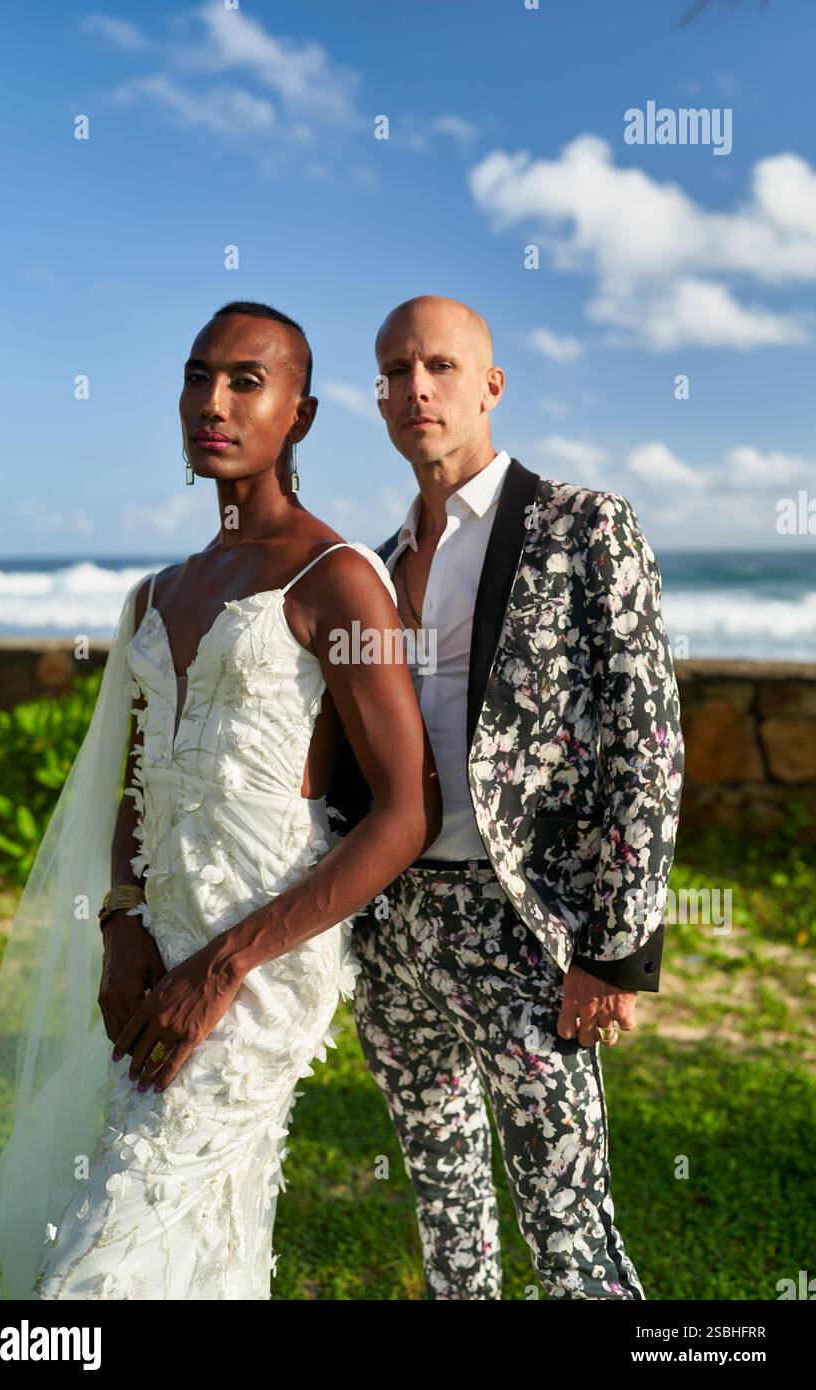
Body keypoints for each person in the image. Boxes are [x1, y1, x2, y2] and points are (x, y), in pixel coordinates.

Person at [0, 300, 441, 1300]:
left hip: (259, 970)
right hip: (156, 955)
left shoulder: (337, 578)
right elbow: (137, 775)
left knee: (93, 1270)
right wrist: (122, 918)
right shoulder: (156, 592)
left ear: (299, 416)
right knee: (200, 1243)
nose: (210, 403)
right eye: (195, 376)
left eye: (244, 382)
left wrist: (225, 962)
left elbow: (405, 811)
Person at [327, 294, 685, 1300]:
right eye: (394, 371)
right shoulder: (373, 560)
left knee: (568, 1226)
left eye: (439, 366)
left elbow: (641, 744)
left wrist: (613, 949)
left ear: (489, 385)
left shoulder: (583, 527)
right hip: (395, 925)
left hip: (525, 927)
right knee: (445, 1211)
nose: (415, 388)